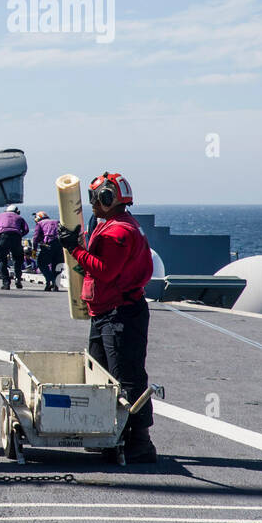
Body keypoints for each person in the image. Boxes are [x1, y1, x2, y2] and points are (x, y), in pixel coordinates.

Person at [59, 172, 156, 463]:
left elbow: (104, 270)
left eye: (95, 198)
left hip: (119, 314)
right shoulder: (116, 225)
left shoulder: (118, 232)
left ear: (107, 199)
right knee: (102, 374)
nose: (91, 203)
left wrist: (73, 248)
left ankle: (139, 441)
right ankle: (109, 434)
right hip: (108, 312)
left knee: (127, 377)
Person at [0, 205, 29, 290]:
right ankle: (18, 279)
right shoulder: (19, 217)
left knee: (1, 259)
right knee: (18, 259)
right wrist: (19, 235)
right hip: (16, 238)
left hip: (4, 237)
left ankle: (6, 283)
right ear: (17, 211)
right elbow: (26, 229)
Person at [32, 211, 63, 292]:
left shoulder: (40, 223)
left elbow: (35, 238)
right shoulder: (57, 221)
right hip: (60, 245)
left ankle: (50, 280)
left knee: (41, 263)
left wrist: (34, 251)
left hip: (48, 245)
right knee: (57, 266)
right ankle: (55, 284)